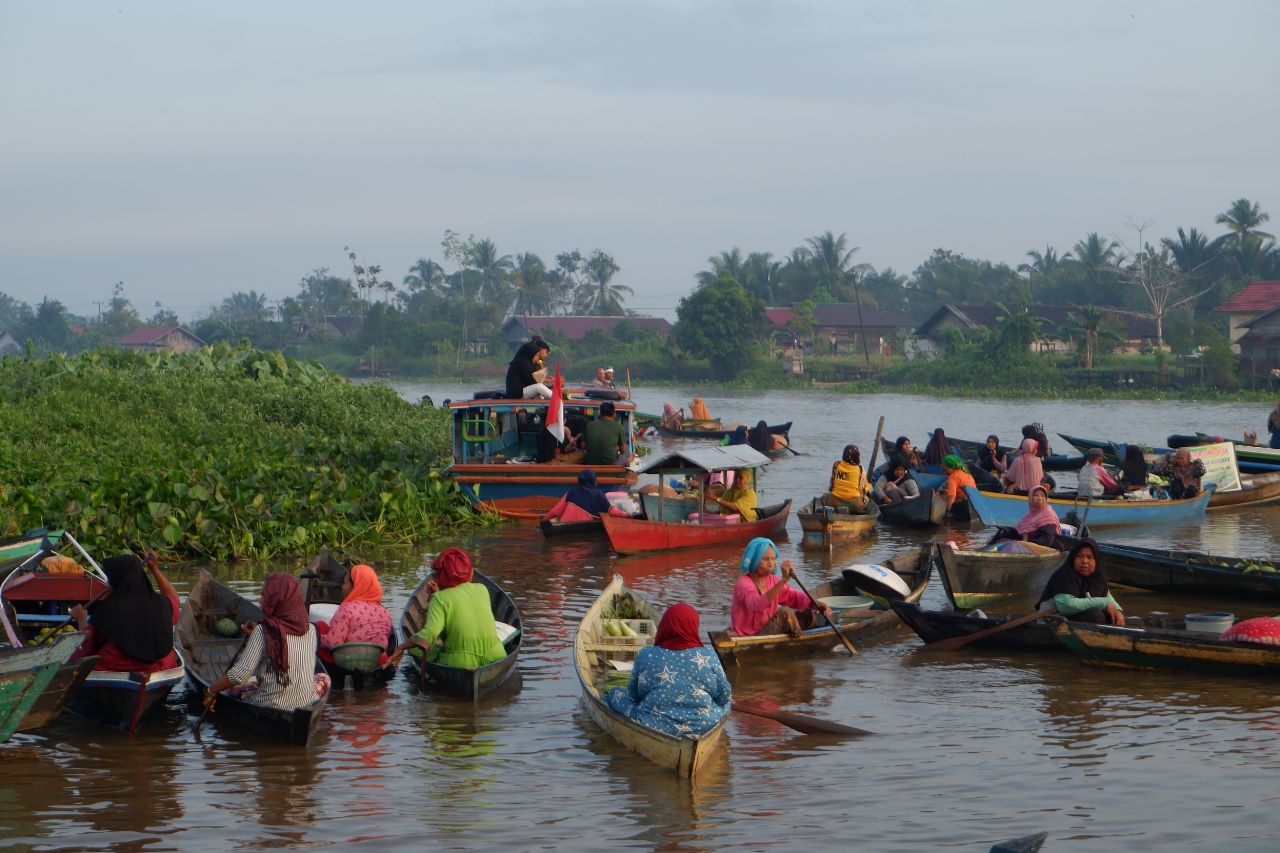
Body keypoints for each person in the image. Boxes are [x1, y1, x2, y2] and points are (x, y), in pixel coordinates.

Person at [604, 603, 731, 736]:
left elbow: (633, 695)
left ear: (664, 626)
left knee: (614, 693)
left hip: (653, 723)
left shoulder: (646, 654)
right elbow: (724, 696)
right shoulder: (709, 655)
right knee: (726, 703)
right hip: (703, 724)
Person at [204, 574, 323, 712]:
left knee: (234, 688)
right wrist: (255, 635)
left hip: (270, 705)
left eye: (264, 595)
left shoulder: (263, 632)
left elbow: (240, 675)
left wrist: (210, 690)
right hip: (304, 704)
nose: (260, 600)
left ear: (276, 600)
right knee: (323, 677)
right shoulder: (312, 629)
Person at [387, 549, 507, 670]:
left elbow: (430, 634)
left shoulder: (439, 598)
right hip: (496, 655)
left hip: (460, 662)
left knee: (417, 649)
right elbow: (460, 603)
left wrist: (401, 647)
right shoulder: (482, 589)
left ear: (441, 575)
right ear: (469, 572)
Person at [70, 553, 180, 674]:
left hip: (113, 667)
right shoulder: (162, 604)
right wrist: (154, 569)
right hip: (158, 668)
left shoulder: (105, 610)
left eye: (110, 579)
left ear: (118, 580)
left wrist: (81, 619)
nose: (107, 583)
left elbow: (87, 648)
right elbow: (173, 597)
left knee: (74, 659)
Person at [730, 538, 833, 637]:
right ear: (754, 559)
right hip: (751, 634)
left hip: (769, 627)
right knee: (784, 612)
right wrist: (783, 581)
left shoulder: (771, 579)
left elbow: (792, 597)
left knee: (808, 614)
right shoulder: (743, 583)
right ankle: (797, 639)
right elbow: (756, 605)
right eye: (765, 559)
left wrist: (816, 603)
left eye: (773, 559)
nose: (771, 564)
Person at [315, 564, 393, 664]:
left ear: (356, 587)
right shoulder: (385, 612)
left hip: (348, 662)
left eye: (344, 583)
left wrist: (315, 638)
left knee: (319, 626)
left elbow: (334, 643)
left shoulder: (346, 609)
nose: (342, 587)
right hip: (377, 661)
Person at [1036, 538, 1124, 626]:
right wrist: (1104, 603)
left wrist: (1118, 610)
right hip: (1052, 621)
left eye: (1089, 557)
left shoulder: (1097, 577)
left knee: (1111, 615)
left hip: (1073, 617)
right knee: (1095, 615)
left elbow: (1107, 597)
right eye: (1080, 556)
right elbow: (1067, 606)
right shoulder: (1063, 575)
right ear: (1073, 558)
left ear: (1096, 560)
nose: (1084, 561)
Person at [544, 469, 630, 522]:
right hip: (579, 532)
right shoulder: (598, 495)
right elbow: (611, 511)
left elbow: (555, 512)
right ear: (593, 481)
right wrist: (628, 515)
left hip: (562, 527)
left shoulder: (570, 493)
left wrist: (543, 522)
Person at [992, 485, 1062, 548]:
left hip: (1047, 547)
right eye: (1036, 495)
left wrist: (1026, 544)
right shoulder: (1028, 517)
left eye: (1042, 496)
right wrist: (997, 537)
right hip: (1030, 545)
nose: (1040, 498)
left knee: (1013, 546)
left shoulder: (1048, 515)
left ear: (1046, 498)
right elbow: (1017, 532)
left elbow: (1047, 540)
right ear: (1030, 498)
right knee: (1001, 542)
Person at [823, 444, 870, 511]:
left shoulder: (836, 465)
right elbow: (864, 489)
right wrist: (869, 487)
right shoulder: (861, 470)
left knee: (825, 496)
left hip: (835, 501)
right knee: (868, 500)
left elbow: (831, 485)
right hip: (854, 504)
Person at [583, 401, 630, 466]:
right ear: (614, 414)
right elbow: (623, 450)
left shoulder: (589, 425)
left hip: (590, 462)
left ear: (600, 413)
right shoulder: (619, 426)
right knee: (628, 457)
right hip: (611, 463)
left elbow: (583, 446)